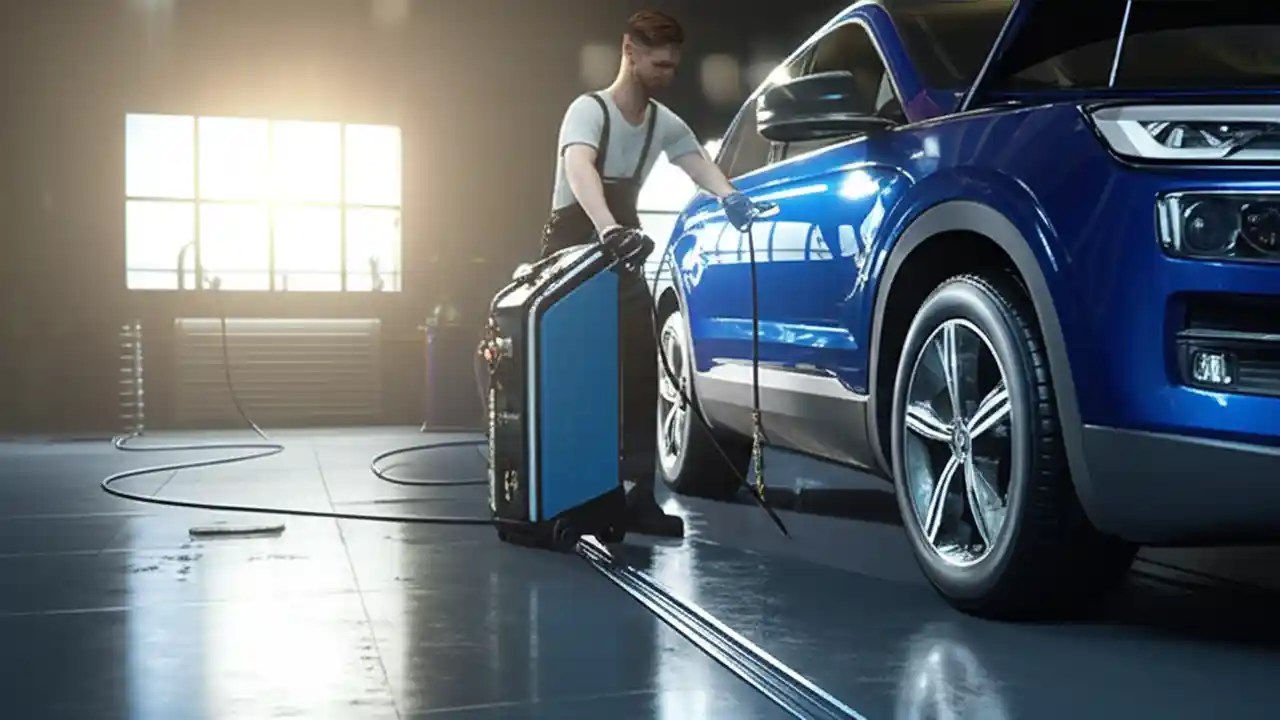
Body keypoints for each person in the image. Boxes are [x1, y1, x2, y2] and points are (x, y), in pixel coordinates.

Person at [482, 9, 764, 538]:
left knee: (637, 373)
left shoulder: (663, 122)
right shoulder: (587, 112)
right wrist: (607, 229)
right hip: (572, 252)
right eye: (658, 63)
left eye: (674, 66)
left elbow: (696, 164)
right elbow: (579, 169)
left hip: (622, 249)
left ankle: (638, 496)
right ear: (629, 52)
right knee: (573, 376)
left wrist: (731, 198)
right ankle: (564, 492)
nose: (666, 74)